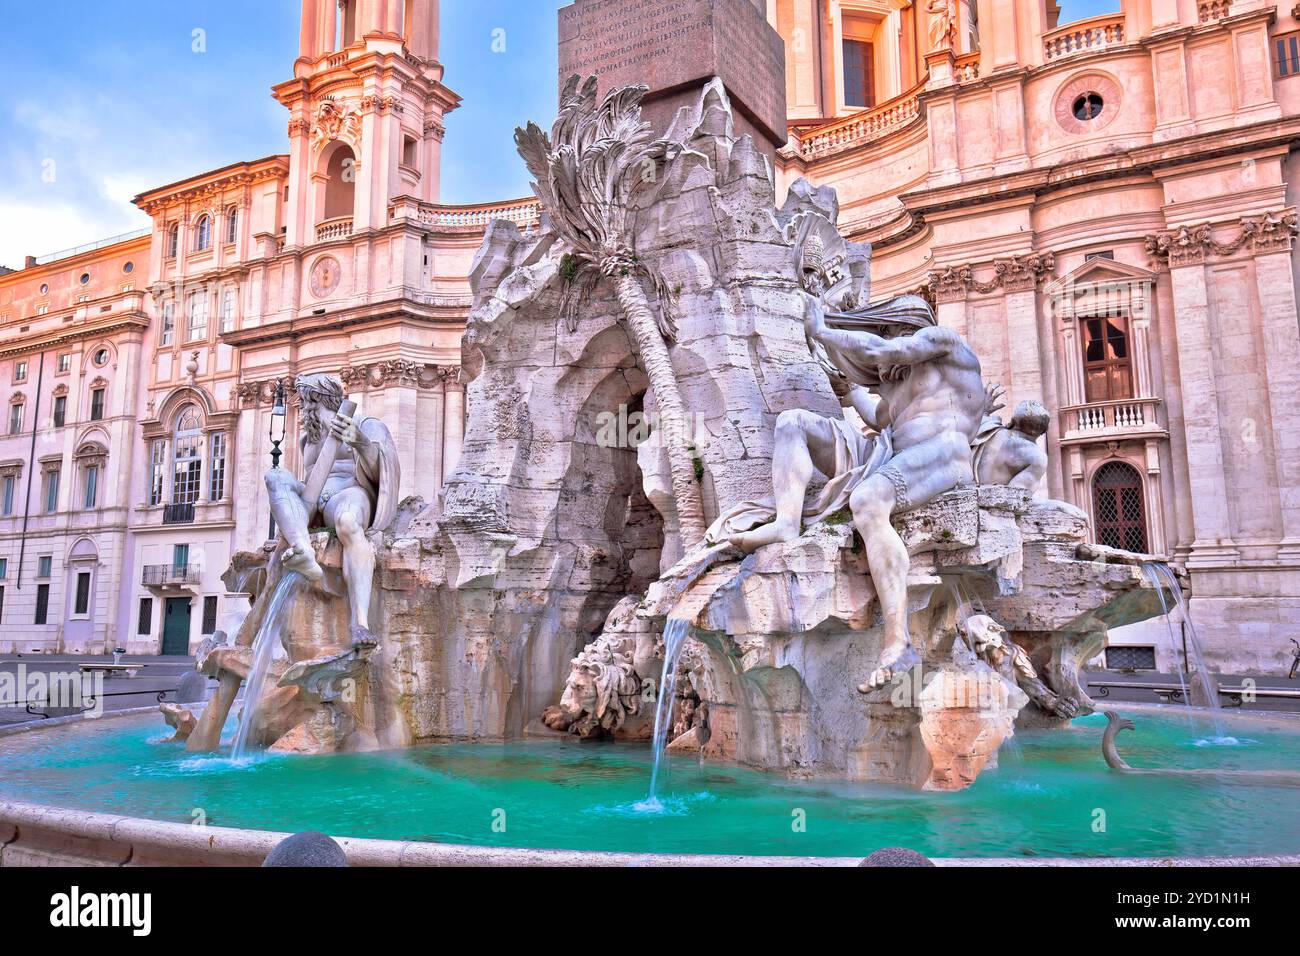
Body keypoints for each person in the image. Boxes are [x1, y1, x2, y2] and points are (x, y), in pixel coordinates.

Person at [265, 374, 400, 648]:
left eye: (308, 403)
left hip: (349, 493)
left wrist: (359, 440)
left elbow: (383, 469)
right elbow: (310, 478)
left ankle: (360, 623)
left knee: (348, 522)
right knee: (275, 476)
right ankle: (303, 551)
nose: (305, 410)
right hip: (315, 503)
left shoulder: (365, 423)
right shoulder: (308, 439)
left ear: (322, 399)